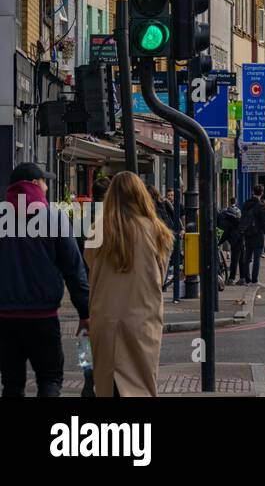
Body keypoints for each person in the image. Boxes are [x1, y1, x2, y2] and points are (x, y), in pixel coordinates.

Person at [0, 163, 90, 397]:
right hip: (44, 316)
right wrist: (85, 311)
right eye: (43, 181)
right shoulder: (54, 218)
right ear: (33, 184)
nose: (47, 186)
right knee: (50, 379)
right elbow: (73, 268)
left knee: (11, 383)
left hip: (5, 318)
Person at [84, 171, 173, 397]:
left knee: (107, 385)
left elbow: (90, 264)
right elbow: (161, 275)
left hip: (104, 316)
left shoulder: (97, 229)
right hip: (143, 318)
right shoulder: (157, 230)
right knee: (141, 385)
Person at [238, 185, 265, 284]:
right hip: (258, 234)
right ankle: (255, 280)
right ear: (261, 193)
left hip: (247, 234)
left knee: (247, 257)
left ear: (253, 192)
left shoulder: (246, 204)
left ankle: (247, 279)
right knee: (257, 258)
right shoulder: (262, 206)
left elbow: (243, 218)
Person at [217, 198, 243, 285]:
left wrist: (217, 242)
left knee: (235, 258)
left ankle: (231, 278)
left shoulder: (221, 219)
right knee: (241, 257)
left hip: (235, 236)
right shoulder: (227, 215)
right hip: (239, 234)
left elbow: (222, 233)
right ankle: (242, 278)